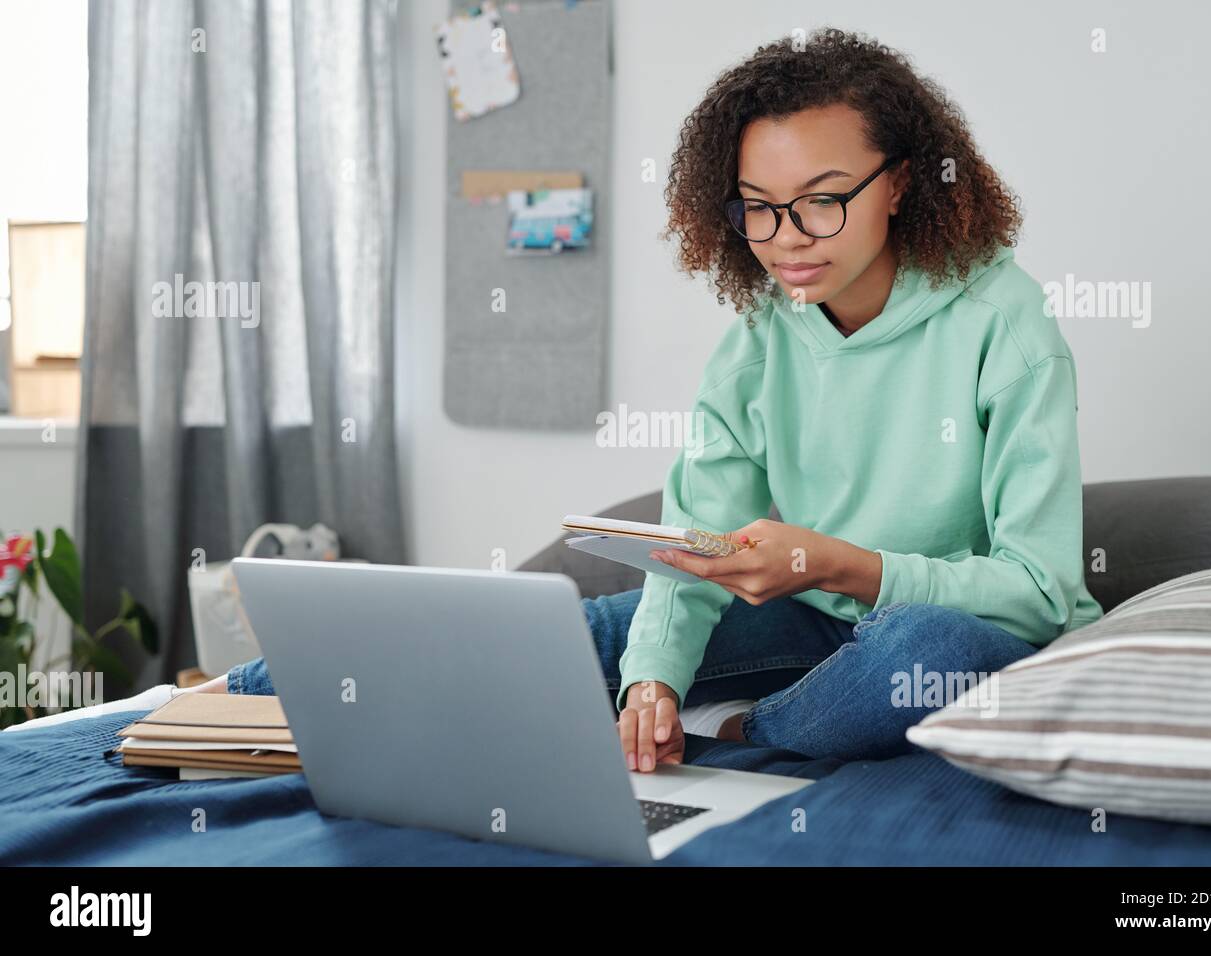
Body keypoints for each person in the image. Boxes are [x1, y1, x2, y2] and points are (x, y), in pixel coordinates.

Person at [201, 28, 1105, 773]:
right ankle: (222, 695)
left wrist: (837, 564)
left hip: (971, 641)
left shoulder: (1006, 324)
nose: (785, 240)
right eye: (758, 206)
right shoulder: (759, 339)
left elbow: (1037, 589)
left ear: (901, 182)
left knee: (920, 650)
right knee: (589, 630)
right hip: (816, 626)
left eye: (821, 202)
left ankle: (754, 732)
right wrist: (651, 686)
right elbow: (690, 550)